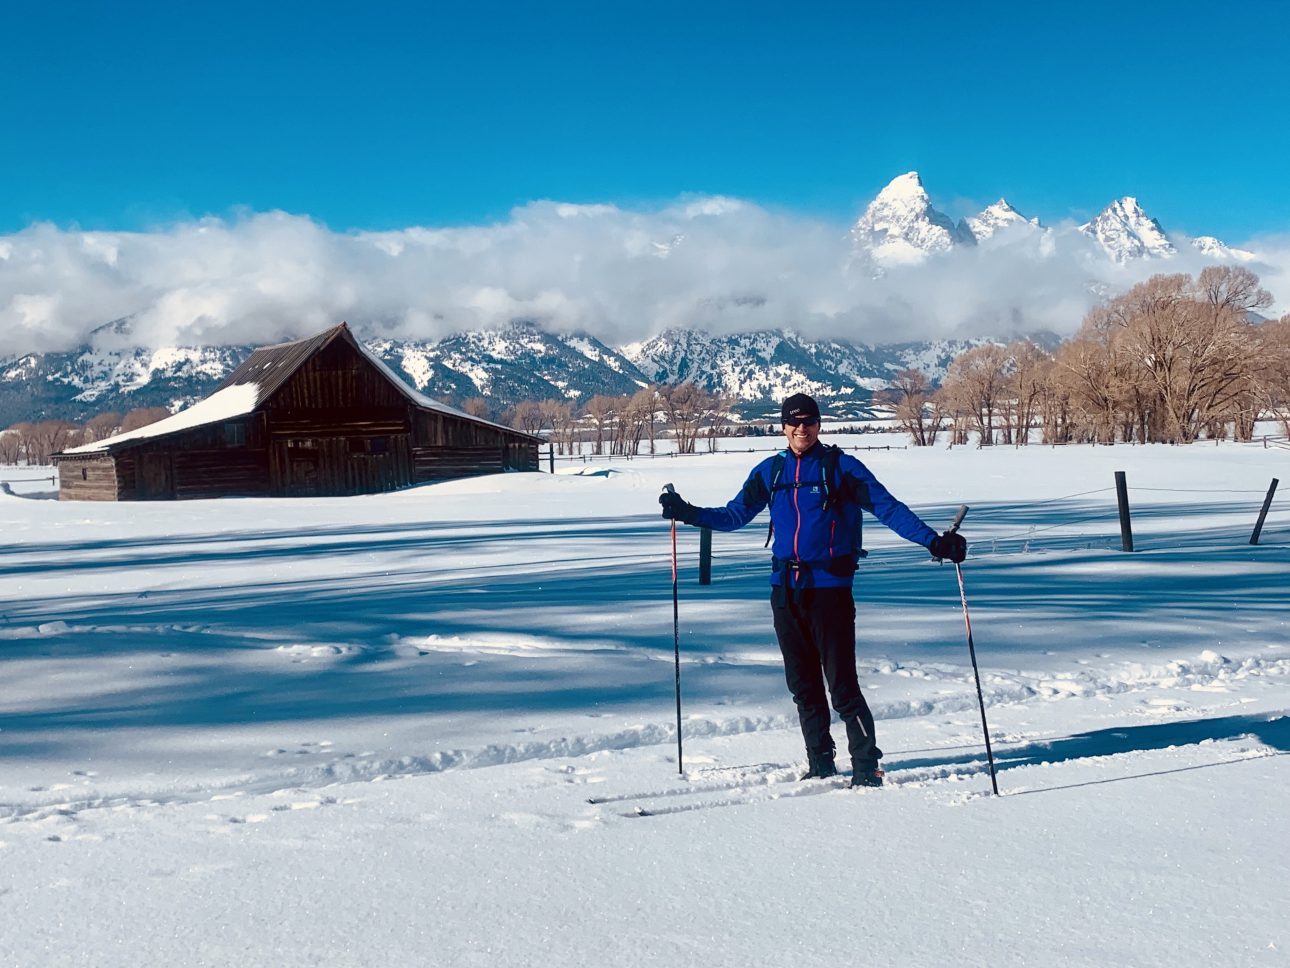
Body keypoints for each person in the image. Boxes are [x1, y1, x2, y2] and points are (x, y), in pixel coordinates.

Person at [659, 393, 966, 788]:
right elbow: (735, 515)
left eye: (809, 421)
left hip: (829, 591)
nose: (801, 428)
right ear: (783, 426)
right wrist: (687, 512)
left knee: (842, 687)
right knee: (803, 686)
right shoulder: (770, 472)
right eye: (794, 421)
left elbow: (888, 508)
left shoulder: (841, 468)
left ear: (819, 425)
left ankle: (867, 767)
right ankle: (820, 762)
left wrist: (933, 542)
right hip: (785, 591)